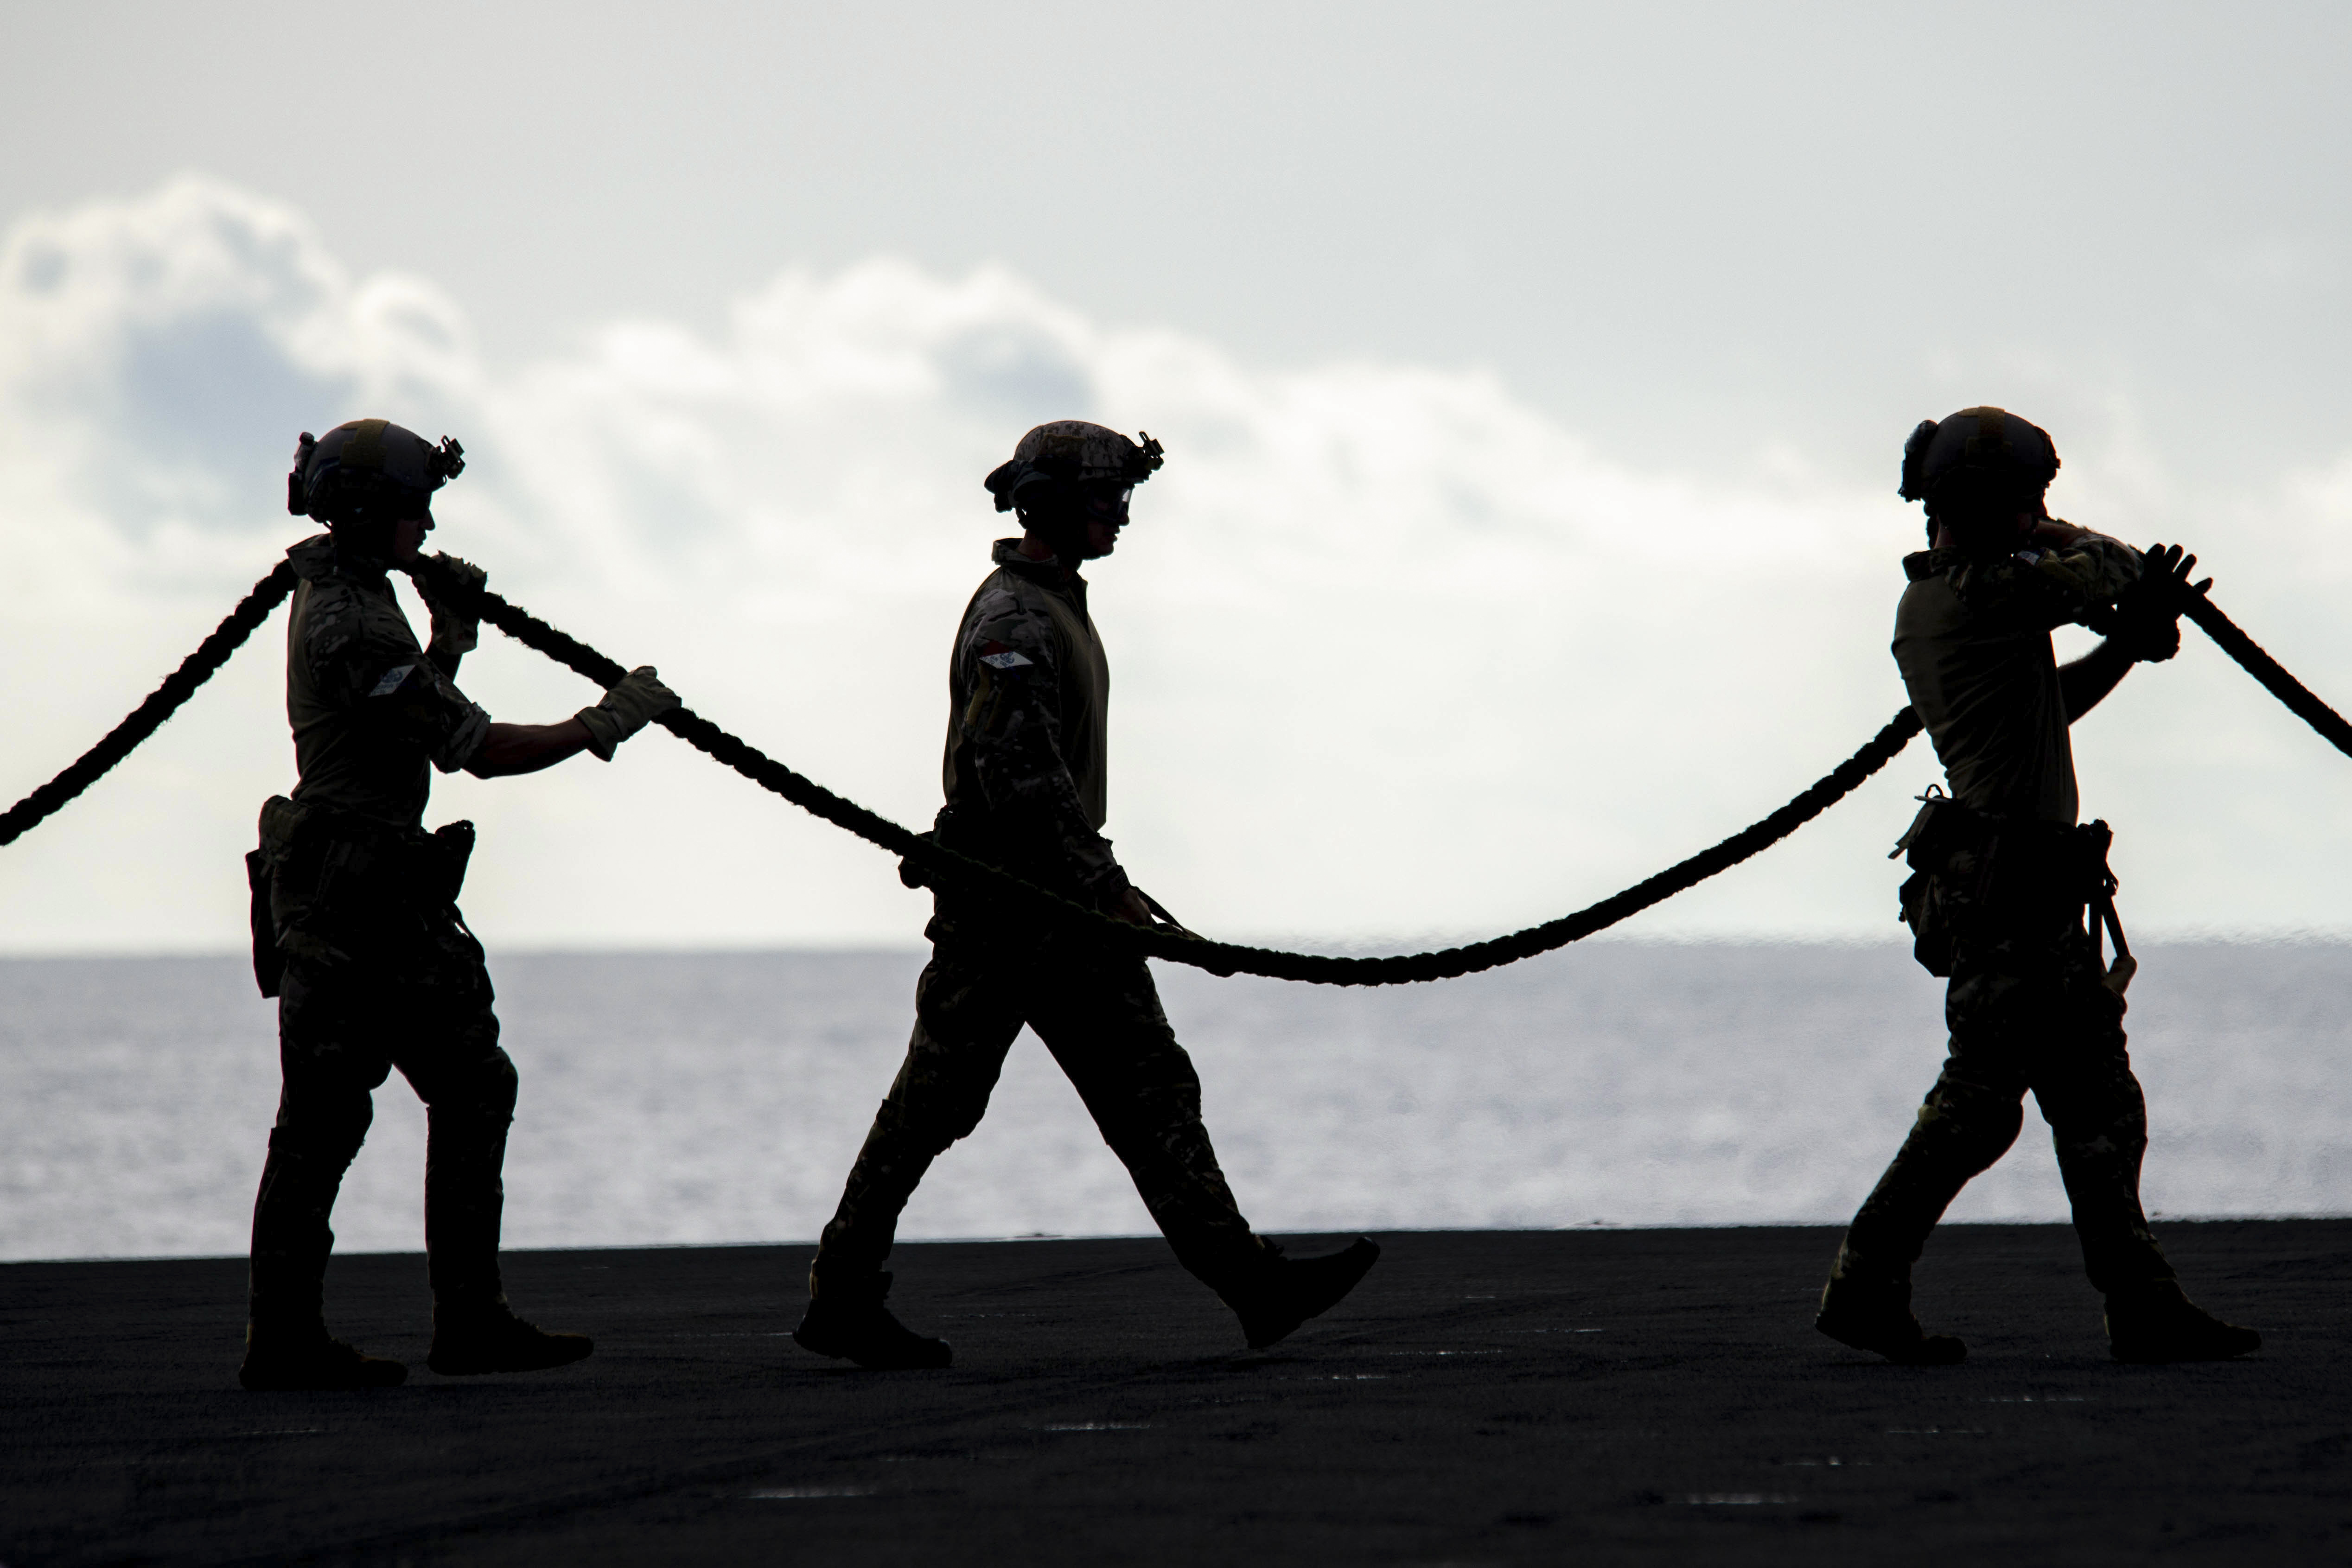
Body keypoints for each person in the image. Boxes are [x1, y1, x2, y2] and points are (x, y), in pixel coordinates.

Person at [794, 421, 1379, 1369]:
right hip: (1015, 913)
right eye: (1108, 497)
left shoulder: (1050, 605)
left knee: (1145, 1087)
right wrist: (1103, 888)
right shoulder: (1016, 621)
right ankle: (843, 1292)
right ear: (1055, 504)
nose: (1121, 515)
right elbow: (1017, 775)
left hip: (1051, 904)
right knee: (937, 1104)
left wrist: (1100, 888)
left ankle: (1251, 1283)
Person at [240, 418, 679, 1391]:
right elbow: (471, 748)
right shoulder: (354, 621)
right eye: (414, 507)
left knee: (400, 1101)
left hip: (360, 892)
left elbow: (400, 722)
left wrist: (451, 636)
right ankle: (394, 1328)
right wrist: (604, 722)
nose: (428, 525)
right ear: (368, 513)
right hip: (358, 903)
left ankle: (378, 1328)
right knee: (369, 1108)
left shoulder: (357, 598)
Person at [1816, 406, 2260, 1366]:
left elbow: (2047, 707)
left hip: (2035, 890)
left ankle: (2141, 1302)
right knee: (1979, 1102)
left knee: (2099, 1103)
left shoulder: (1981, 597)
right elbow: (2098, 574)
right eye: (2023, 503)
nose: (2034, 518)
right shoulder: (1969, 596)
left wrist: (2127, 644)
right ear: (1983, 509)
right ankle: (1863, 1281)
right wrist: (2108, 570)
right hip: (2004, 891)